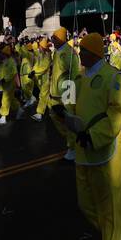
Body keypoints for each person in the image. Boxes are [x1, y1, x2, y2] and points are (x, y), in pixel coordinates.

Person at [53, 33, 121, 240]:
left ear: (93, 53)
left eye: (84, 52)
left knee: (110, 207)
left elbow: (117, 113)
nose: (80, 55)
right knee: (87, 204)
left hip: (109, 150)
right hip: (84, 150)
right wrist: (62, 113)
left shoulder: (113, 78)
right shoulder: (77, 79)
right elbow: (69, 105)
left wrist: (94, 136)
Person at [47, 27, 80, 160]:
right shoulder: (57, 51)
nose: (52, 40)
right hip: (54, 93)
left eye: (54, 38)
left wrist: (71, 93)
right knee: (53, 115)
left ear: (60, 39)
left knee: (69, 120)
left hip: (66, 93)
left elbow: (75, 72)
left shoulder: (69, 52)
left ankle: (73, 148)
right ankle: (72, 141)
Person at [0, 45, 24, 124]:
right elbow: (1, 71)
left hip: (10, 84)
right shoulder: (3, 61)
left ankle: (3, 116)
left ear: (6, 54)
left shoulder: (11, 61)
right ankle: (19, 110)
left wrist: (5, 79)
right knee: (11, 99)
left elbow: (14, 73)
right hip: (4, 83)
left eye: (3, 53)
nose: (1, 54)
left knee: (5, 99)